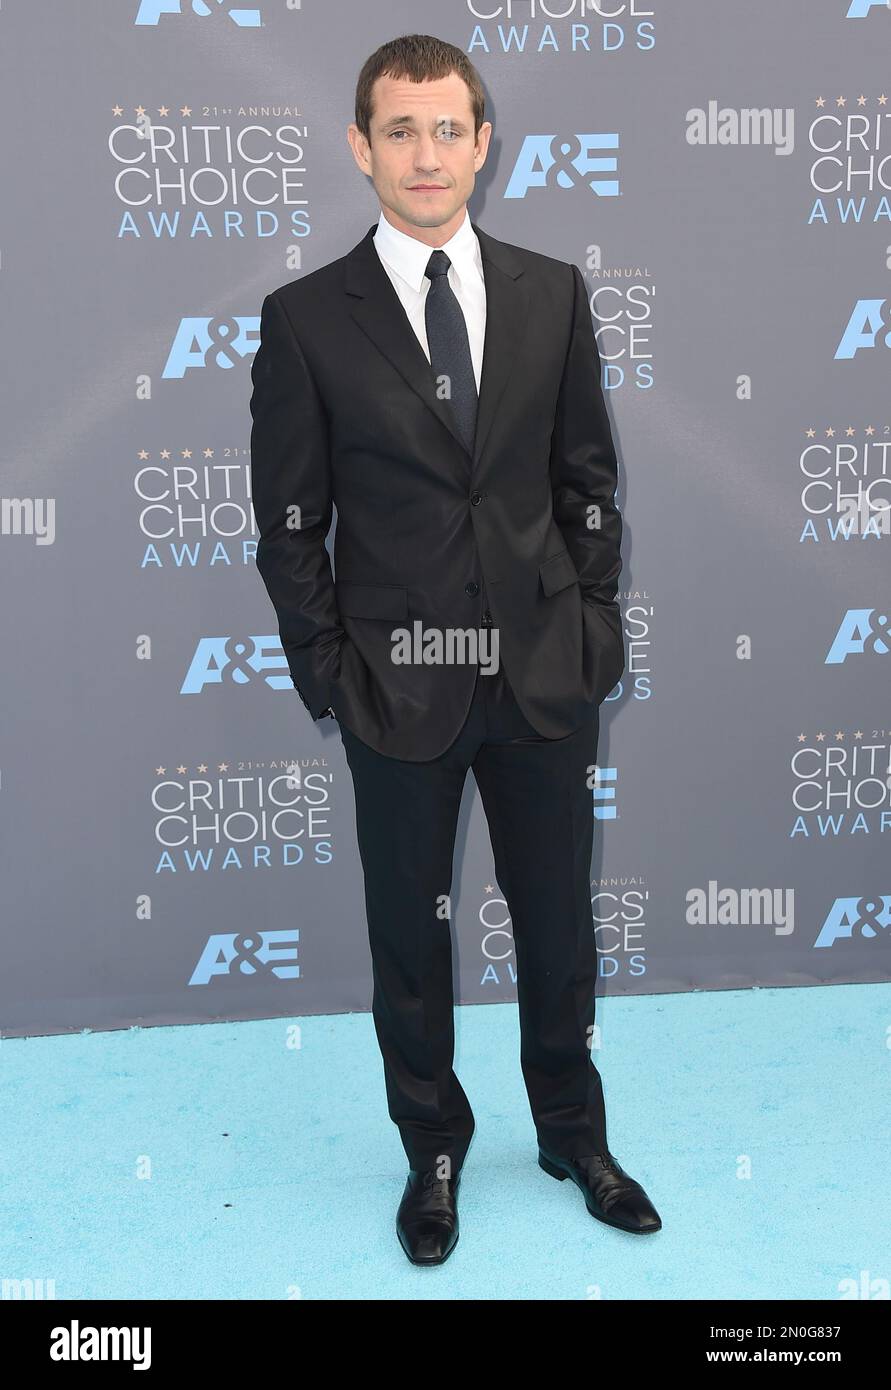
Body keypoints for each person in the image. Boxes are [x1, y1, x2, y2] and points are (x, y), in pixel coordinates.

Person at [249, 32, 661, 1266]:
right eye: (399, 130)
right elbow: (288, 523)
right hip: (397, 687)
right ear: (359, 147)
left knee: (557, 927)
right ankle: (432, 1148)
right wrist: (333, 672)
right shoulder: (308, 318)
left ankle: (572, 1132)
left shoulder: (552, 290)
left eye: (447, 130)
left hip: (544, 677)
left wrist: (589, 631)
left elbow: (589, 481)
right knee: (410, 941)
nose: (426, 155)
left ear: (484, 144)